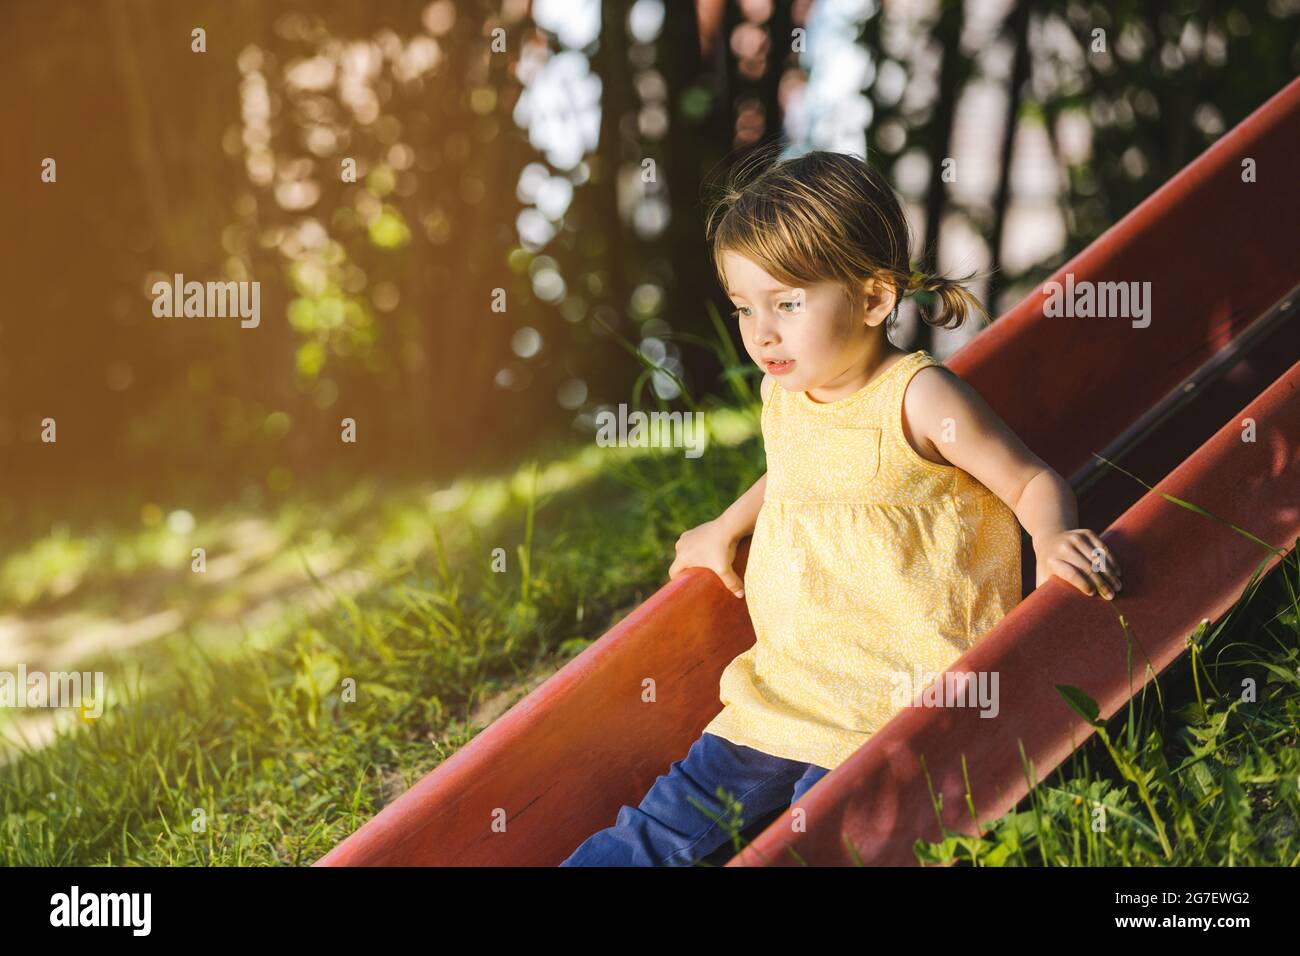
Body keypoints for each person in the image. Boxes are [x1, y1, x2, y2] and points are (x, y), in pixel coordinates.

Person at [560, 148, 1122, 867]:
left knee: (818, 843)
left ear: (873, 299)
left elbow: (1029, 482)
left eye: (786, 304)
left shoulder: (920, 398)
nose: (760, 332)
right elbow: (796, 473)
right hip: (790, 686)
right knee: (659, 826)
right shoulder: (786, 393)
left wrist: (1052, 538)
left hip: (902, 703)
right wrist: (727, 525)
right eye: (743, 308)